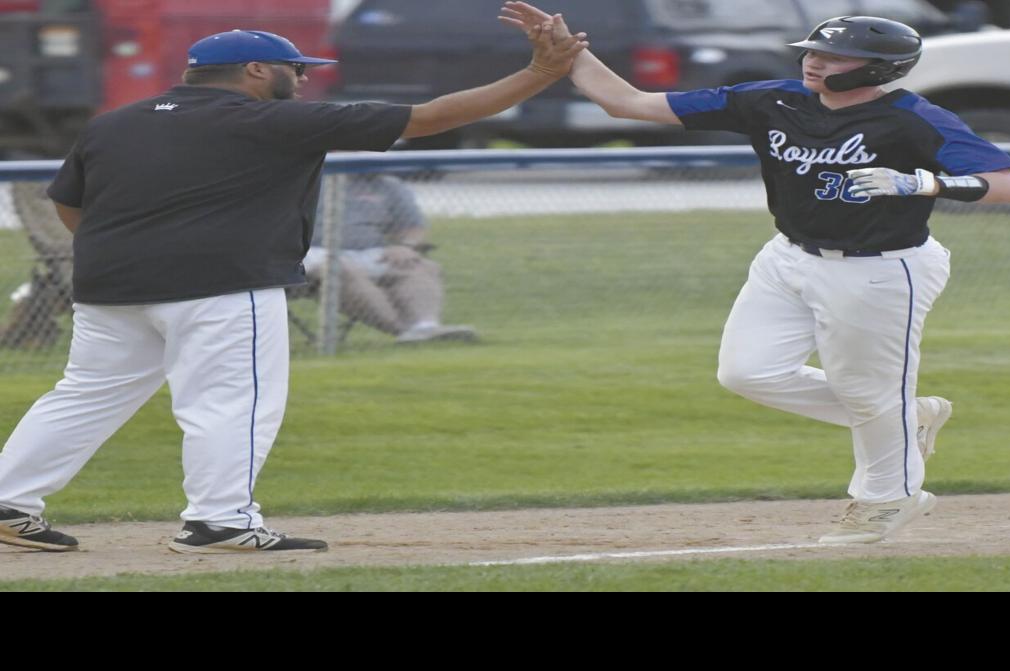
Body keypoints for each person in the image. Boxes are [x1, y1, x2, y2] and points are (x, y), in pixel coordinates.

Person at [0, 18, 587, 553]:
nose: (303, 79)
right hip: (220, 286)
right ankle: (221, 521)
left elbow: (70, 207)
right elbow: (431, 117)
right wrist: (541, 73)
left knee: (82, 397)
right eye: (295, 68)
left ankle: (8, 501)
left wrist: (136, 250)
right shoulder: (276, 121)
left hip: (109, 285)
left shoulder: (116, 123)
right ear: (256, 71)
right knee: (231, 402)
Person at [501, 3, 1010, 543]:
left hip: (881, 270)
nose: (815, 63)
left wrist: (924, 184)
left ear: (879, 67)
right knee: (747, 372)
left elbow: (1008, 185)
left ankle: (887, 499)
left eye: (835, 56)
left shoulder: (914, 118)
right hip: (788, 257)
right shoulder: (772, 99)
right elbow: (626, 102)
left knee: (868, 393)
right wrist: (569, 52)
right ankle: (905, 414)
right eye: (813, 51)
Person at [305, 174, 476, 343]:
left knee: (419, 266)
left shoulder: (389, 186)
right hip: (311, 252)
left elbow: (412, 228)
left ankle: (425, 327)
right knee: (338, 268)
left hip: (370, 251)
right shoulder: (306, 179)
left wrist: (406, 246)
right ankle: (402, 330)